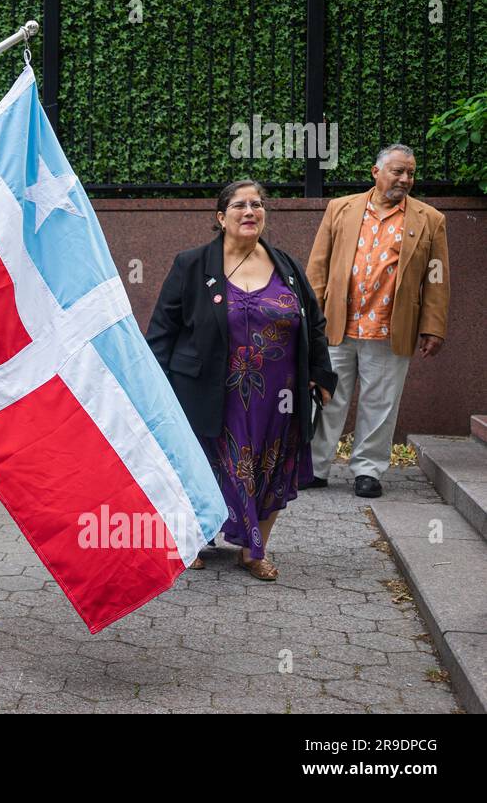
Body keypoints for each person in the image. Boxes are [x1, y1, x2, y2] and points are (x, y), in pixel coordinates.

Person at [146, 180, 336, 581]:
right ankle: (192, 539)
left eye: (257, 204)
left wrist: (321, 373)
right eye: (239, 205)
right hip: (210, 388)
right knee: (206, 465)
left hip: (277, 396)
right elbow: (164, 327)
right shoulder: (193, 265)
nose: (250, 211)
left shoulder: (286, 264)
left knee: (270, 466)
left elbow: (313, 323)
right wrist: (153, 383)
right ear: (221, 217)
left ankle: (254, 550)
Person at [305, 144, 450, 498]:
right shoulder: (340, 209)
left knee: (380, 401)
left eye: (410, 173)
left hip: (390, 327)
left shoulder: (430, 219)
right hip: (337, 324)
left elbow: (436, 277)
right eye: (398, 171)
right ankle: (315, 466)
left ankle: (367, 470)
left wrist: (433, 325)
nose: (405, 179)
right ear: (376, 172)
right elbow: (318, 266)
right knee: (328, 397)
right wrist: (309, 318)